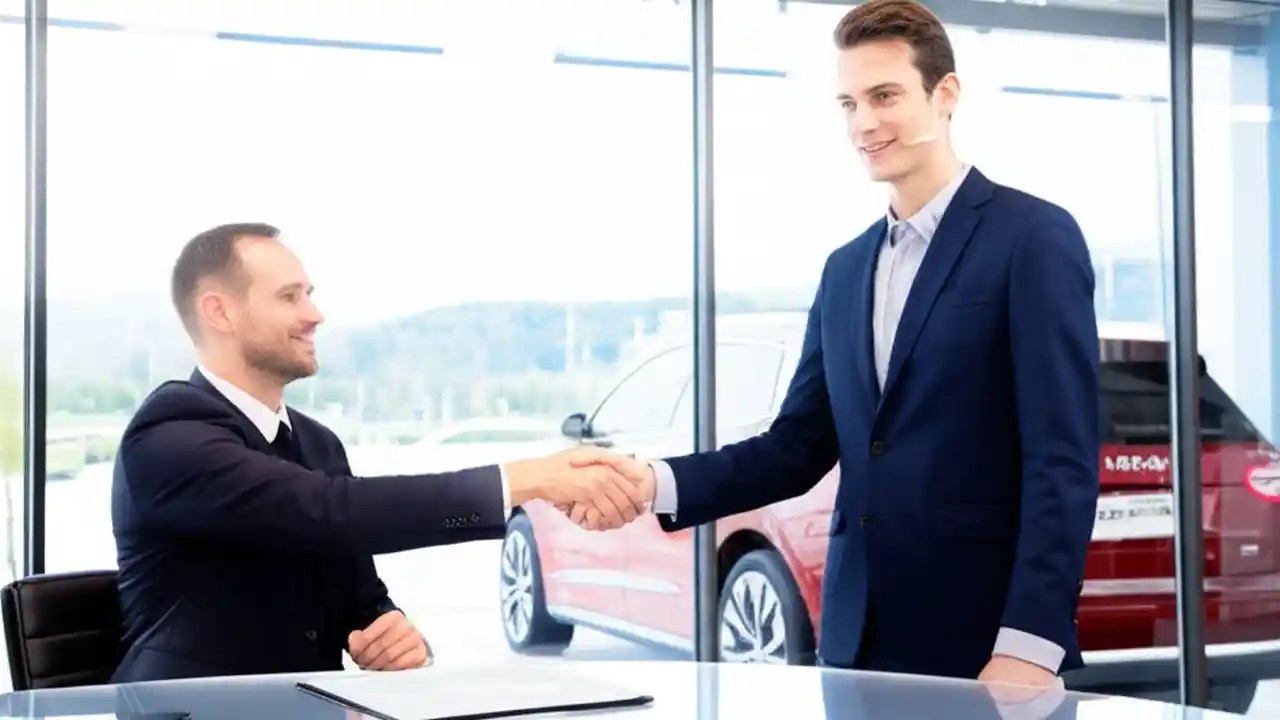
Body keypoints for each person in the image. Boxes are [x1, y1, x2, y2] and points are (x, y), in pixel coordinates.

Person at [573, 0, 1100, 688]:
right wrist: (653, 482)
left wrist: (1031, 640)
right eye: (848, 103)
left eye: (885, 96)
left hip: (987, 646)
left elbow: (1061, 459)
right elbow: (797, 447)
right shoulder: (845, 269)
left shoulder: (1033, 238)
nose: (864, 123)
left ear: (946, 96)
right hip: (853, 641)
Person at [111, 222, 646, 682]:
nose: (315, 314)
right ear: (219, 312)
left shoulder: (317, 443)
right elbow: (329, 511)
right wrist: (529, 479)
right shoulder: (169, 434)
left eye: (309, 293)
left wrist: (391, 635)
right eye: (289, 296)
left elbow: (358, 594)